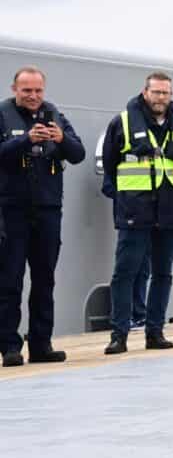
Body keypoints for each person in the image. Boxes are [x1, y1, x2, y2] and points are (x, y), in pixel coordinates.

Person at [100, 72, 173, 355]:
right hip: (135, 209)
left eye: (165, 93)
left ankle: (155, 332)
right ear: (145, 92)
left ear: (171, 94)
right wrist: (122, 198)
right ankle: (119, 335)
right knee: (125, 273)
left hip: (170, 210)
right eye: (156, 92)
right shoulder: (122, 122)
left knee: (163, 273)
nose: (160, 98)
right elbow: (109, 165)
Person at [0, 67, 85, 367]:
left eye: (38, 90)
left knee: (44, 279)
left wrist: (61, 139)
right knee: (9, 281)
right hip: (11, 211)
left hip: (48, 211)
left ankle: (41, 344)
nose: (33, 96)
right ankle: (10, 346)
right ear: (14, 89)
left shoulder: (55, 115)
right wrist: (25, 140)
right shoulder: (2, 114)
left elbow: (78, 154)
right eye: (27, 90)